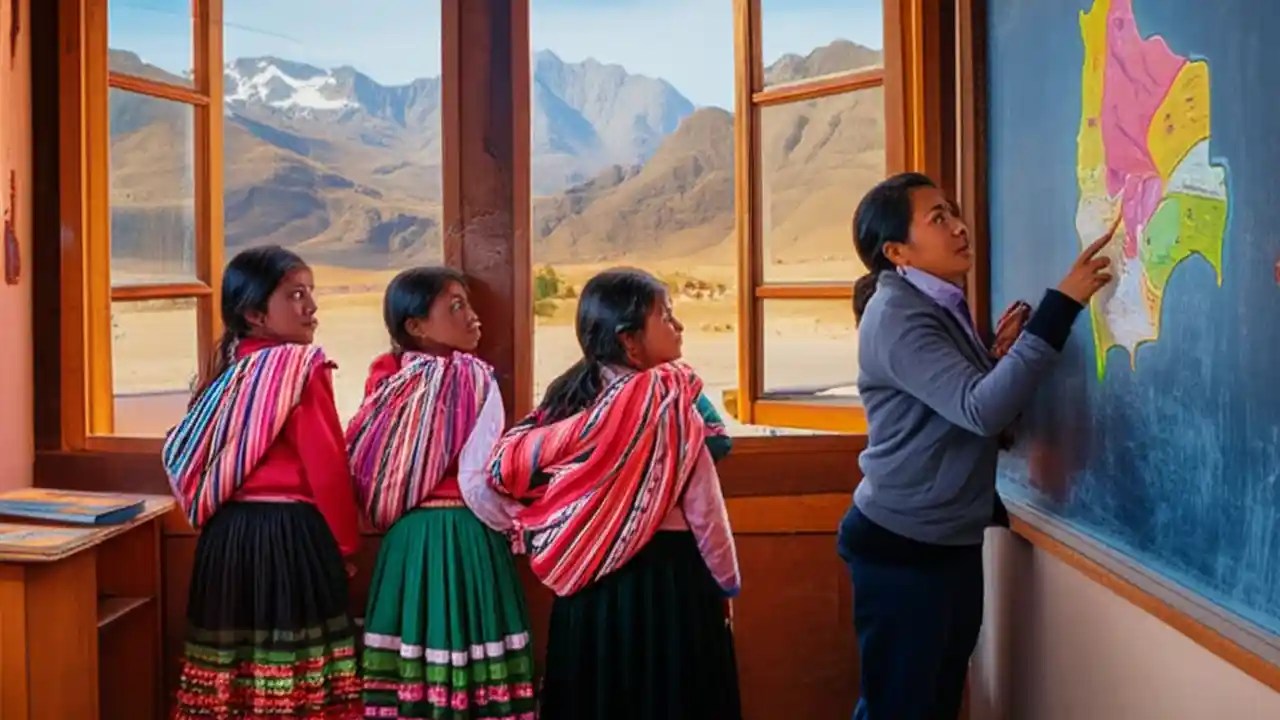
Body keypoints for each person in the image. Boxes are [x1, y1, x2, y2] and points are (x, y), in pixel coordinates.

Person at [839, 172, 1117, 720]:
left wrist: (998, 361)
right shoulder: (898, 315)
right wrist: (1060, 306)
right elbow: (979, 409)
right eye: (938, 219)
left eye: (954, 211)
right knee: (902, 708)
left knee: (934, 703)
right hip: (904, 548)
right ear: (897, 250)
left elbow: (959, 409)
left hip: (945, 541)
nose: (961, 227)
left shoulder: (938, 302)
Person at [488, 268, 740, 720]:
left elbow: (518, 475)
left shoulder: (566, 401)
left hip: (588, 588)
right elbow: (706, 511)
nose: (678, 326)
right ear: (630, 341)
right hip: (668, 585)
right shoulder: (670, 402)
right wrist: (724, 582)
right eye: (665, 316)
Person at [162, 246, 362, 719]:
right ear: (254, 313)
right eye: (295, 295)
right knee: (295, 674)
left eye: (310, 293)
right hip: (290, 539)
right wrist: (346, 548)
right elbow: (327, 466)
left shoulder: (223, 375)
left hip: (226, 543)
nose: (310, 307)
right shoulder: (299, 368)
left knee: (235, 675)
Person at [346, 267, 535, 719]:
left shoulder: (386, 381)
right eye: (456, 306)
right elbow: (476, 479)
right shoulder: (474, 380)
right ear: (415, 326)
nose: (473, 317)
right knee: (472, 664)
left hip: (407, 544)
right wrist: (514, 523)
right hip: (468, 539)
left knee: (415, 654)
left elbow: (366, 462)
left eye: (468, 305)